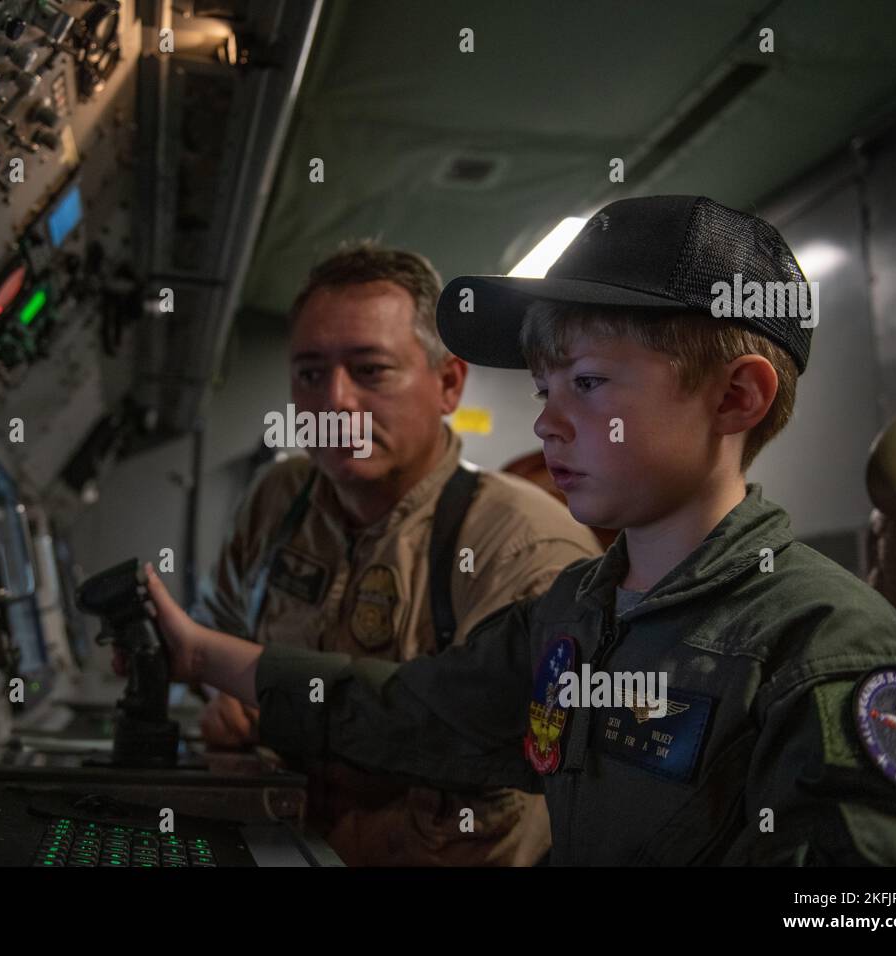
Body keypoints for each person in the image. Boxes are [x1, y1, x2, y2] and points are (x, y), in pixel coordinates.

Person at [142, 196, 896, 864]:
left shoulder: (821, 652)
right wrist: (201, 654)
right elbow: (414, 713)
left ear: (734, 398)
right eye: (545, 389)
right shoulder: (577, 611)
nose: (549, 426)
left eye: (588, 381)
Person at [191, 242, 602, 865]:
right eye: (309, 373)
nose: (335, 401)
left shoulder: (520, 542)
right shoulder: (278, 500)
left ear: (447, 384)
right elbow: (218, 626)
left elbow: (502, 738)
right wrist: (225, 698)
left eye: (370, 370)